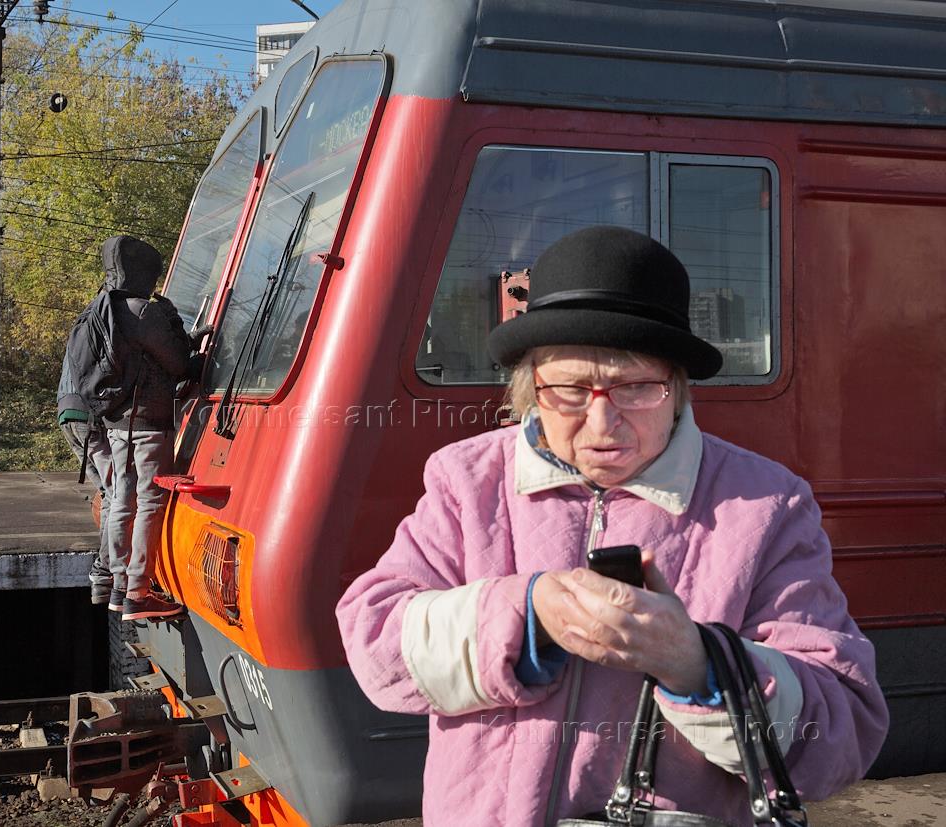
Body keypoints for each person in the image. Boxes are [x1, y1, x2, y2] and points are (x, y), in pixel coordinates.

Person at [336, 226, 888, 825]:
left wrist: (698, 664)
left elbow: (844, 731)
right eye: (571, 389)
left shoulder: (765, 506)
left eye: (636, 388)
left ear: (676, 388)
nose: (603, 425)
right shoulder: (468, 482)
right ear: (531, 390)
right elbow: (376, 642)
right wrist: (525, 614)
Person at [98, 235, 192, 621]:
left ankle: (120, 586)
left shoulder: (106, 310)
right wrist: (175, 323)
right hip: (148, 421)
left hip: (116, 421)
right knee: (150, 499)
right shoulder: (144, 313)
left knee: (122, 500)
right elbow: (179, 364)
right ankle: (139, 589)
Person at [57, 334, 115, 606]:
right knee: (116, 494)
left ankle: (104, 571)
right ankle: (104, 568)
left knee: (106, 490)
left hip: (66, 413)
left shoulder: (83, 331)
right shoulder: (109, 327)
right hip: (87, 416)